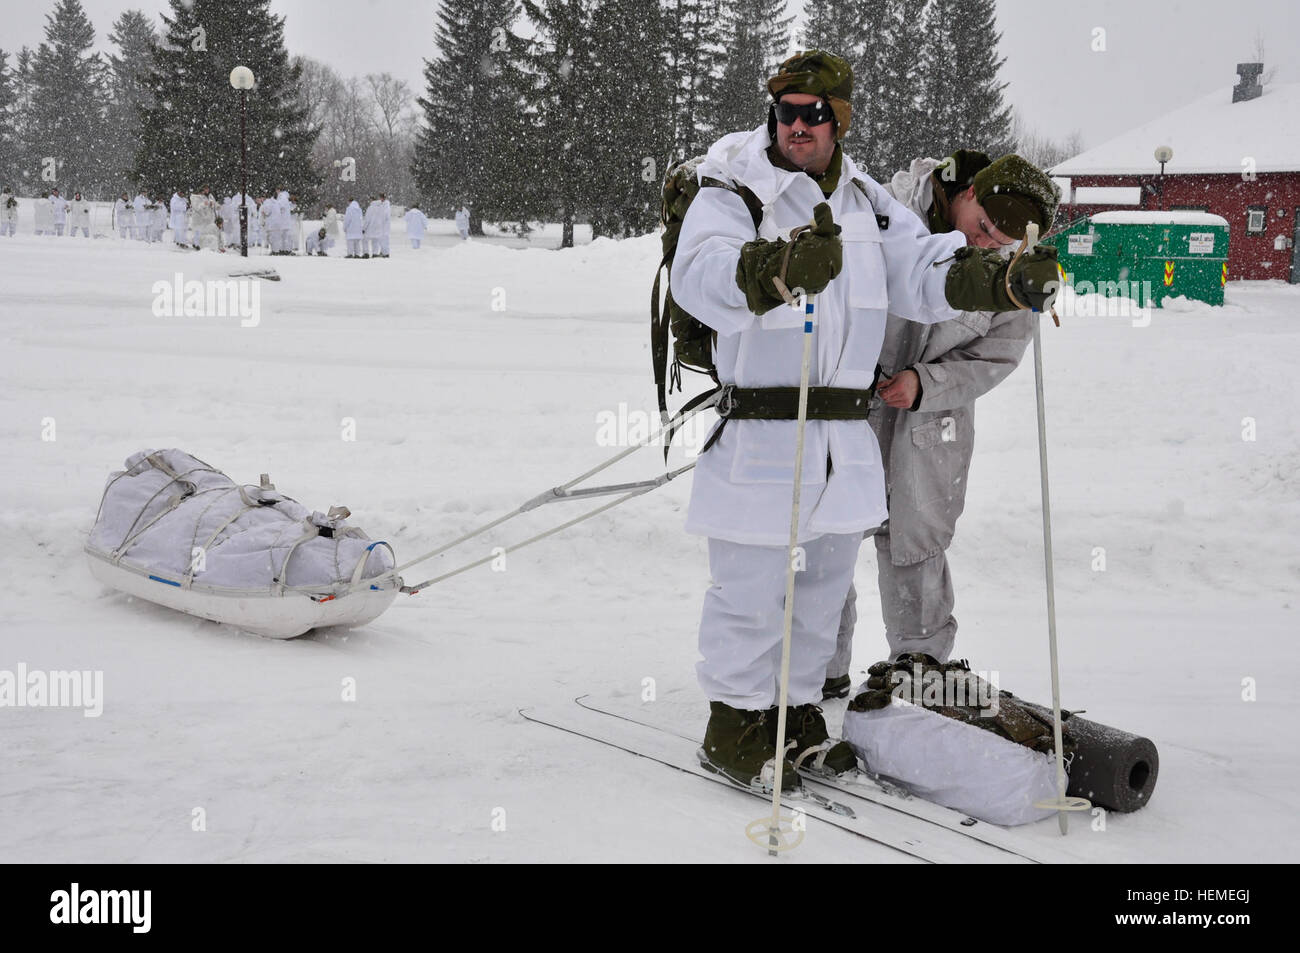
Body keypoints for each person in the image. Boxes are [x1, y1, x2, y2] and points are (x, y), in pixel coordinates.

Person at [670, 50, 1060, 790]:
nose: (798, 124)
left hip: (844, 436)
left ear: (839, 118)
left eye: (815, 111)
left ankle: (794, 713)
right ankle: (736, 723)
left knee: (820, 588)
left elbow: (922, 271)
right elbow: (700, 274)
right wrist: (773, 270)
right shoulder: (735, 185)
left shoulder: (868, 201)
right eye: (786, 108)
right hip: (766, 426)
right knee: (753, 587)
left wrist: (1000, 277)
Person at [824, 151, 1061, 697]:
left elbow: (996, 356)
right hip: (851, 411)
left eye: (999, 242)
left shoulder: (1012, 268)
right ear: (969, 192)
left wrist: (927, 382)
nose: (985, 245)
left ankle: (919, 670)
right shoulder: (885, 219)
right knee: (829, 536)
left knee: (917, 542)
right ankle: (820, 663)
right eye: (980, 228)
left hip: (930, 426)